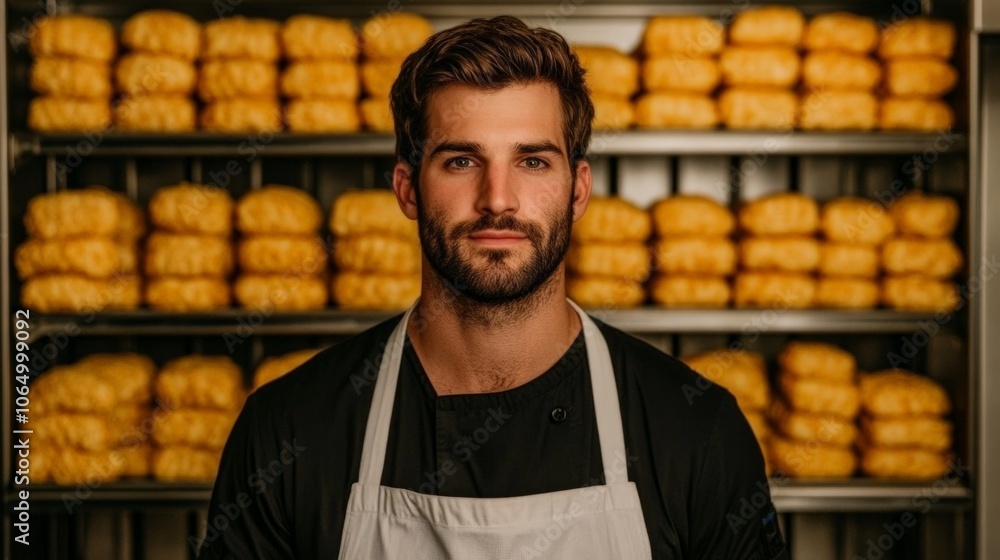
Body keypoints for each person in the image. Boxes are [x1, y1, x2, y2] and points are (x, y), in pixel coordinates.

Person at [201, 15, 787, 560]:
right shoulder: (287, 431)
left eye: (532, 162)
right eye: (461, 161)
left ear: (577, 190)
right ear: (407, 189)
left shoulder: (698, 431)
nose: (498, 199)